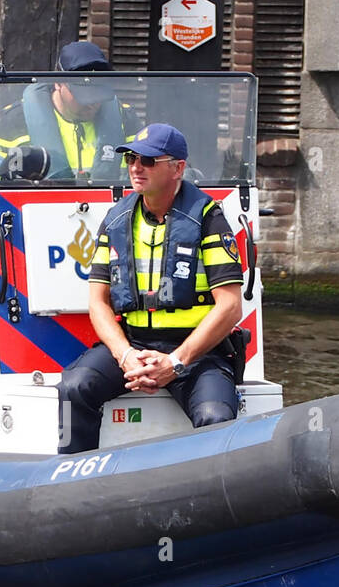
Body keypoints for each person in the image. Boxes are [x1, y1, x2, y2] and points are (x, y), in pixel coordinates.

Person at [57, 123, 245, 455]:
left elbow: (230, 307)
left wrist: (176, 362)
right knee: (74, 388)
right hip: (134, 346)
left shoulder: (208, 218)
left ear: (178, 168)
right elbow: (98, 302)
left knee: (215, 416)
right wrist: (126, 355)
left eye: (148, 160)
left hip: (197, 354)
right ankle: (75, 475)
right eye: (130, 159)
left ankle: (204, 485)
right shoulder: (116, 219)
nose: (135, 167)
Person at [0, 41, 141, 179]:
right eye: (83, 95)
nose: (93, 103)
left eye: (99, 94)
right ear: (58, 82)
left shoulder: (125, 118)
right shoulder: (15, 121)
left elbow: (145, 173)